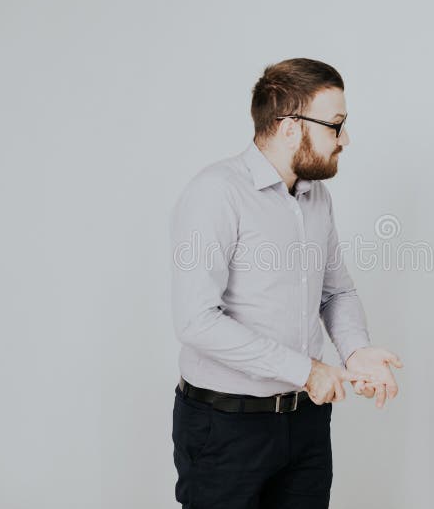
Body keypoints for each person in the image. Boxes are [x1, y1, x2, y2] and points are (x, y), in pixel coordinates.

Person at [169, 57, 403, 509]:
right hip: (225, 426)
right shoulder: (215, 192)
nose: (346, 139)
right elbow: (196, 321)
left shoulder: (317, 196)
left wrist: (356, 351)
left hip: (306, 424)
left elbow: (336, 291)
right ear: (291, 126)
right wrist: (308, 370)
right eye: (336, 125)